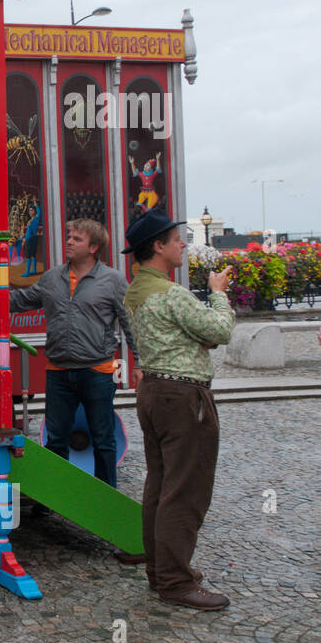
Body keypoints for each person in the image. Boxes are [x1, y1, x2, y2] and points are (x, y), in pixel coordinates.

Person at [0, 219, 139, 487]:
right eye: (69, 237)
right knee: (56, 439)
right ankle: (56, 497)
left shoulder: (113, 281)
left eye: (77, 239)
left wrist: (139, 362)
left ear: (93, 247)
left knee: (103, 438)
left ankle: (107, 499)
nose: (69, 242)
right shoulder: (51, 278)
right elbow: (20, 301)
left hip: (98, 371)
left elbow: (130, 324)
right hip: (58, 372)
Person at [123, 209, 234, 610]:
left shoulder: (137, 290)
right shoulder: (172, 293)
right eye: (176, 239)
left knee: (160, 484)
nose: (183, 244)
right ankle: (174, 581)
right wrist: (218, 291)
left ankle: (160, 569)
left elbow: (187, 336)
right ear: (158, 246)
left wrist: (196, 339)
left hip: (154, 391)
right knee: (185, 490)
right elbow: (218, 331)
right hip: (184, 397)